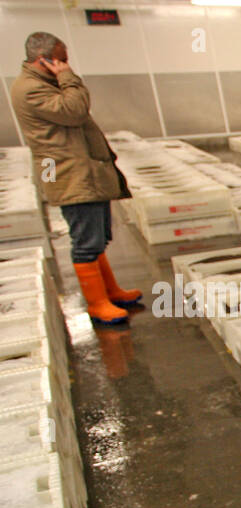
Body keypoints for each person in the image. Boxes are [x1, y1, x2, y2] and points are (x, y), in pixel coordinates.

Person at [10, 31, 139, 325]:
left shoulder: (42, 84)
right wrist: (68, 77)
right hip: (70, 173)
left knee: (95, 236)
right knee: (85, 241)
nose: (66, 65)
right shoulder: (31, 88)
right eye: (62, 60)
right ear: (44, 59)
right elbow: (75, 110)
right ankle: (97, 304)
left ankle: (110, 292)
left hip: (81, 169)